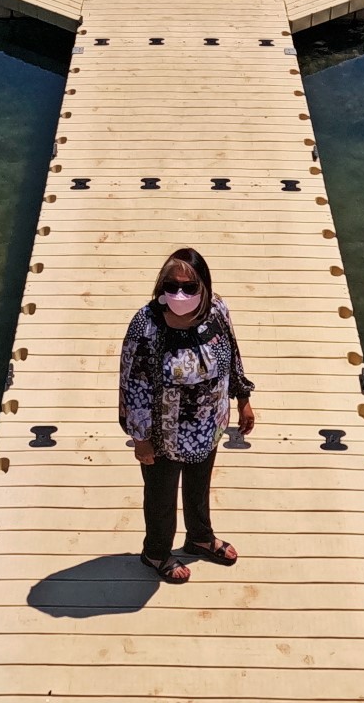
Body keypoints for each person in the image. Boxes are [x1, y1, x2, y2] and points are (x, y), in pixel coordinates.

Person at [119, 248, 257, 582]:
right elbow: (133, 384)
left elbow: (232, 355)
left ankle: (200, 538)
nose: (180, 293)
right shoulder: (146, 325)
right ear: (161, 286)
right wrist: (140, 438)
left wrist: (243, 398)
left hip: (210, 425)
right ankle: (156, 552)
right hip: (163, 435)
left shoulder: (217, 311)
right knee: (161, 498)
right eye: (172, 285)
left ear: (203, 286)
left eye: (189, 287)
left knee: (199, 486)